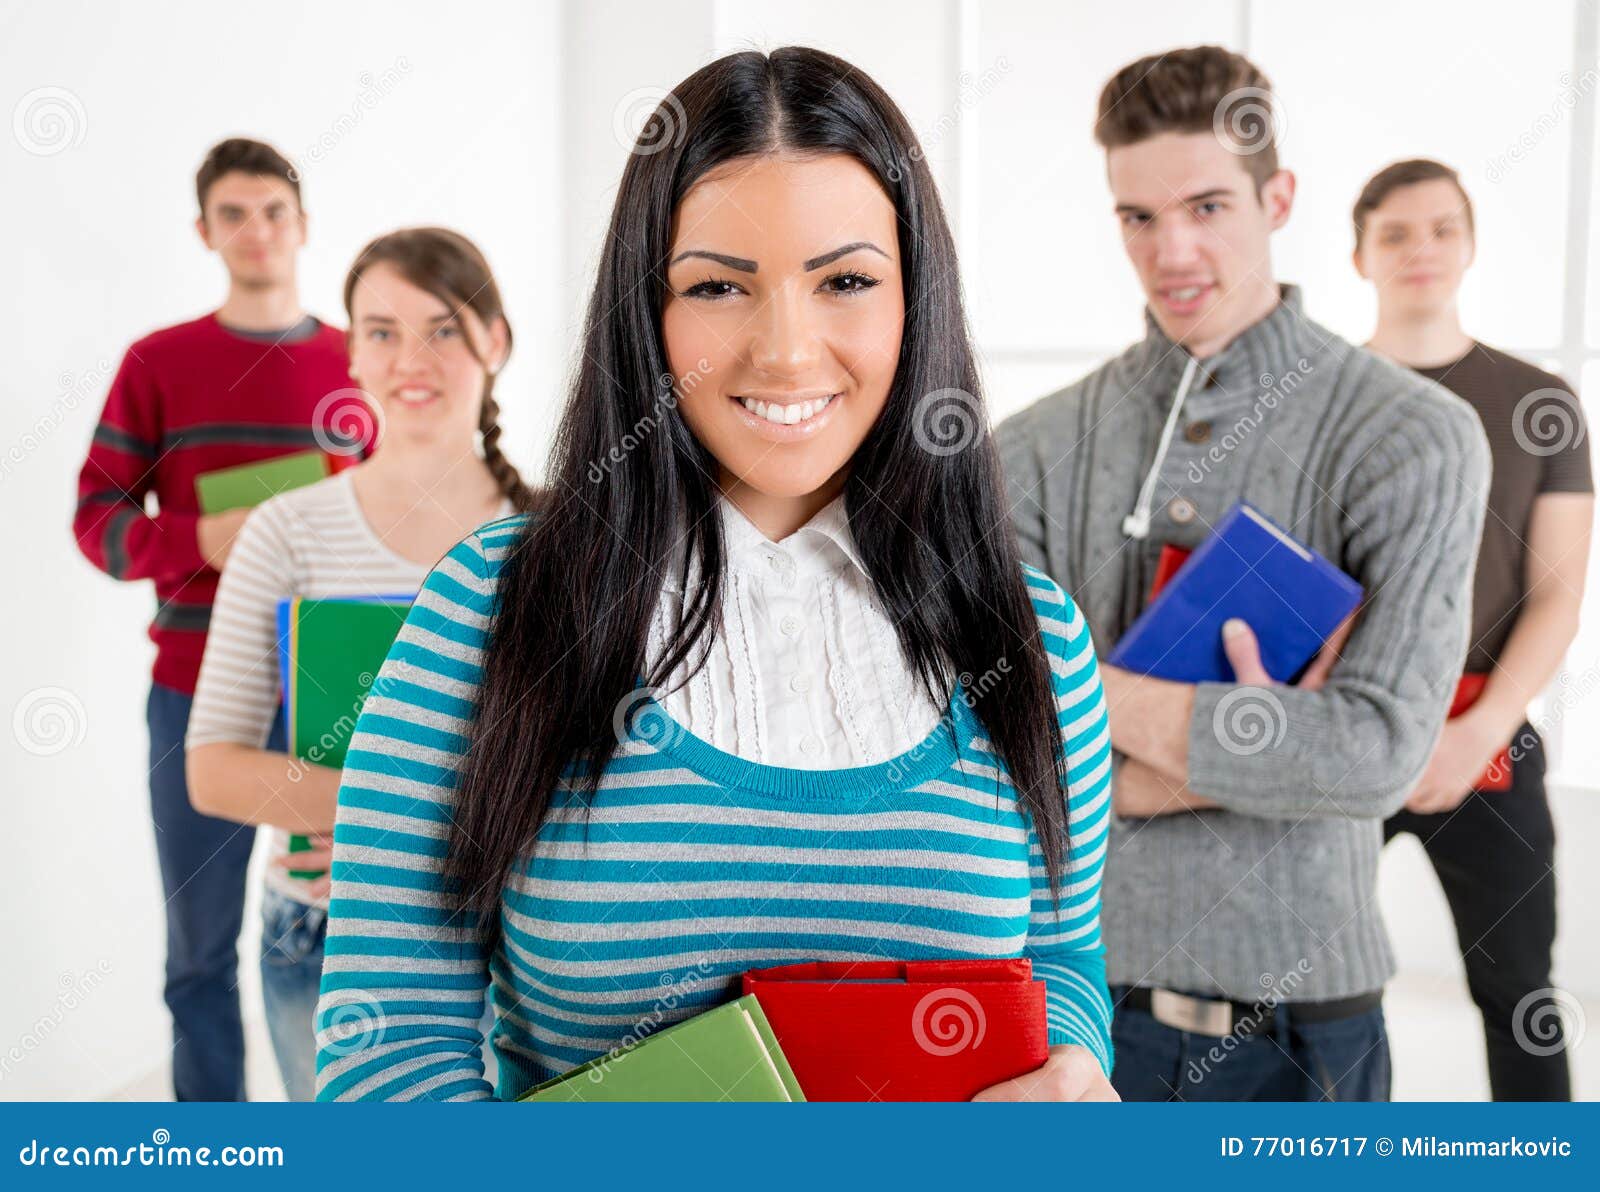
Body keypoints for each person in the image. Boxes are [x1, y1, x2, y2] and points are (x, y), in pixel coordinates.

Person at [314, 46, 1116, 1103]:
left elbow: (1058, 962)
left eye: (845, 281)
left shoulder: (1033, 638)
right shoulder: (488, 610)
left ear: (915, 303)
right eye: (716, 286)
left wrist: (1072, 1070)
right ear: (644, 316)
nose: (785, 351)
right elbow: (389, 1053)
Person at [997, 46, 1490, 1101]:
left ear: (1278, 199)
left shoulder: (1418, 437)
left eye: (1207, 205)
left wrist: (1083, 696)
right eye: (1136, 216)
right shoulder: (1027, 449)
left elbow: (1376, 756)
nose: (1171, 250)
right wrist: (1266, 745)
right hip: (1077, 1020)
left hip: (1311, 1028)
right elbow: (999, 767)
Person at [184, 228, 531, 1099]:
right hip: (325, 935)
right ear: (351, 354)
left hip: (519, 945)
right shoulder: (286, 528)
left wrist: (393, 837)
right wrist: (415, 828)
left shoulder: (559, 539)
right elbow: (212, 771)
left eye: (443, 328)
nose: (411, 357)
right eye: (381, 330)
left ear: (496, 341)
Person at [71, 138, 362, 1101]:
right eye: (234, 213)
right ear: (205, 232)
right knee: (199, 955)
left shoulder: (357, 360)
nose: (256, 230)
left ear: (303, 225)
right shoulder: (158, 362)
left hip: (332, 690)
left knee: (333, 936)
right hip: (195, 694)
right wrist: (207, 534)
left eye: (273, 210)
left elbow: (392, 515)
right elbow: (97, 523)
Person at [1353, 158, 1593, 1101]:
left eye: (1443, 228)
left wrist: (1478, 732)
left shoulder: (1539, 402)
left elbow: (1560, 593)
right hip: (1344, 737)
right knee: (1311, 994)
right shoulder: (1318, 395)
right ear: (1360, 253)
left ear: (1471, 246)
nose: (1422, 249)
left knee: (1519, 993)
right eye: (1397, 232)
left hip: (1487, 731)